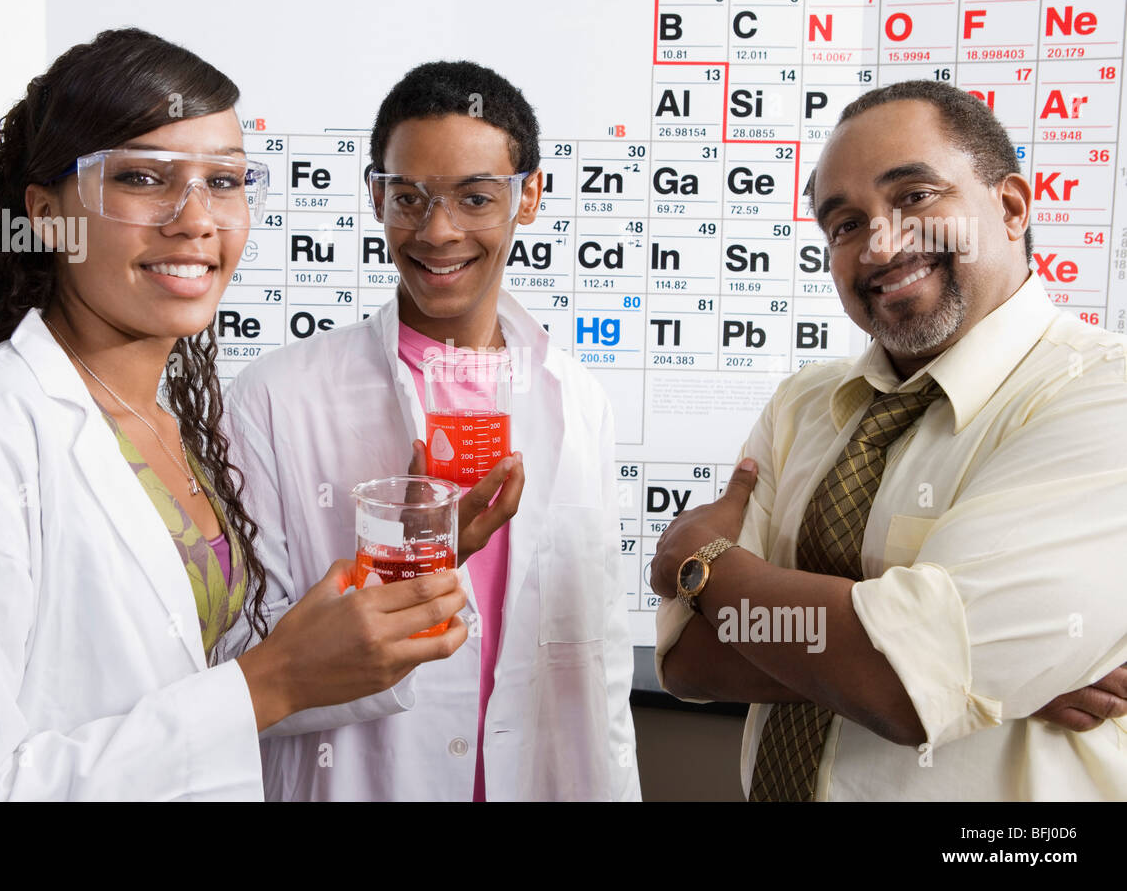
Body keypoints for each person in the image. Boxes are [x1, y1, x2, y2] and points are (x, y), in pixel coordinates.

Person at [0, 28, 471, 800]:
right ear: (45, 213)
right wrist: (268, 683)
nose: (196, 219)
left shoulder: (169, 425)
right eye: (142, 177)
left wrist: (366, 618)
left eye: (225, 181)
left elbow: (189, 681)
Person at [651, 80, 1127, 801]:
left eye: (914, 197)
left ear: (1010, 207)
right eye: (844, 224)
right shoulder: (803, 405)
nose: (880, 243)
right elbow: (689, 658)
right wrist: (976, 677)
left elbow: (898, 682)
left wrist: (704, 567)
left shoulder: (1102, 393)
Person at [223, 61, 641, 801]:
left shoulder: (579, 402)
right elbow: (245, 669)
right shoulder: (276, 398)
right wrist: (409, 562)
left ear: (530, 196)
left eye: (475, 198)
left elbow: (600, 662)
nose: (437, 231)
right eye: (408, 198)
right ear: (377, 197)